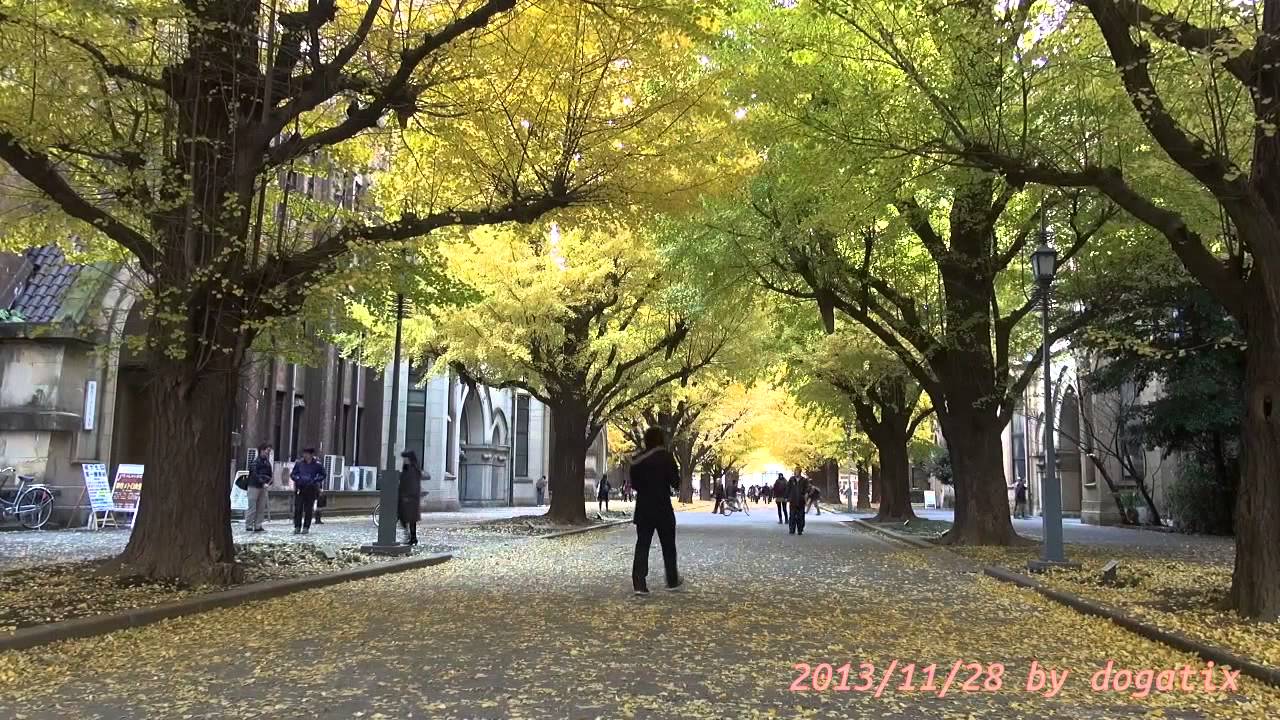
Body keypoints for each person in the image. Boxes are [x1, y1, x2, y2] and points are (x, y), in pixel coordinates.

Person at [629, 426, 682, 595]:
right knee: (668, 545)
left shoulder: (637, 459)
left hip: (644, 507)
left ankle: (639, 583)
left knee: (642, 545)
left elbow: (635, 484)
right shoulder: (666, 457)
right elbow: (675, 482)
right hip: (663, 507)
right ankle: (672, 580)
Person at [290, 448, 326, 535]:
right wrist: (297, 479)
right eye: (304, 454)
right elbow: (293, 474)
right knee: (298, 508)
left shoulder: (317, 465)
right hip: (300, 488)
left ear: (311, 455)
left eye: (307, 454)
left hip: (311, 489)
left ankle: (306, 527)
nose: (305, 455)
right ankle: (297, 526)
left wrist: (316, 480)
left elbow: (323, 474)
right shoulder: (299, 463)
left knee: (308, 509)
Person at [245, 443, 272, 532]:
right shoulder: (255, 462)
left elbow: (270, 474)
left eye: (269, 451)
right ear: (262, 450)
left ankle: (258, 525)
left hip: (263, 487)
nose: (268, 453)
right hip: (254, 486)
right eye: (267, 450)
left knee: (261, 507)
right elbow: (255, 474)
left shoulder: (267, 462)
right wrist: (262, 482)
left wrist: (268, 482)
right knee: (252, 507)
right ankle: (248, 525)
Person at [399, 449, 422, 545]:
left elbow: (412, 485)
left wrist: (407, 496)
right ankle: (412, 537)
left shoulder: (412, 470)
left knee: (408, 519)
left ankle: (412, 537)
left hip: (409, 499)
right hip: (408, 499)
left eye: (405, 458)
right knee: (409, 519)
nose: (404, 460)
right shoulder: (409, 469)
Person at [787, 469, 809, 535]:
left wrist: (805, 497)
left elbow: (806, 490)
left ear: (800, 472)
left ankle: (800, 529)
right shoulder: (791, 480)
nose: (796, 473)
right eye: (795, 472)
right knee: (792, 516)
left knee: (801, 516)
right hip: (793, 500)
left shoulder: (804, 480)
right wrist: (787, 497)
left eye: (797, 472)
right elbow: (788, 488)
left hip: (801, 501)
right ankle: (792, 529)